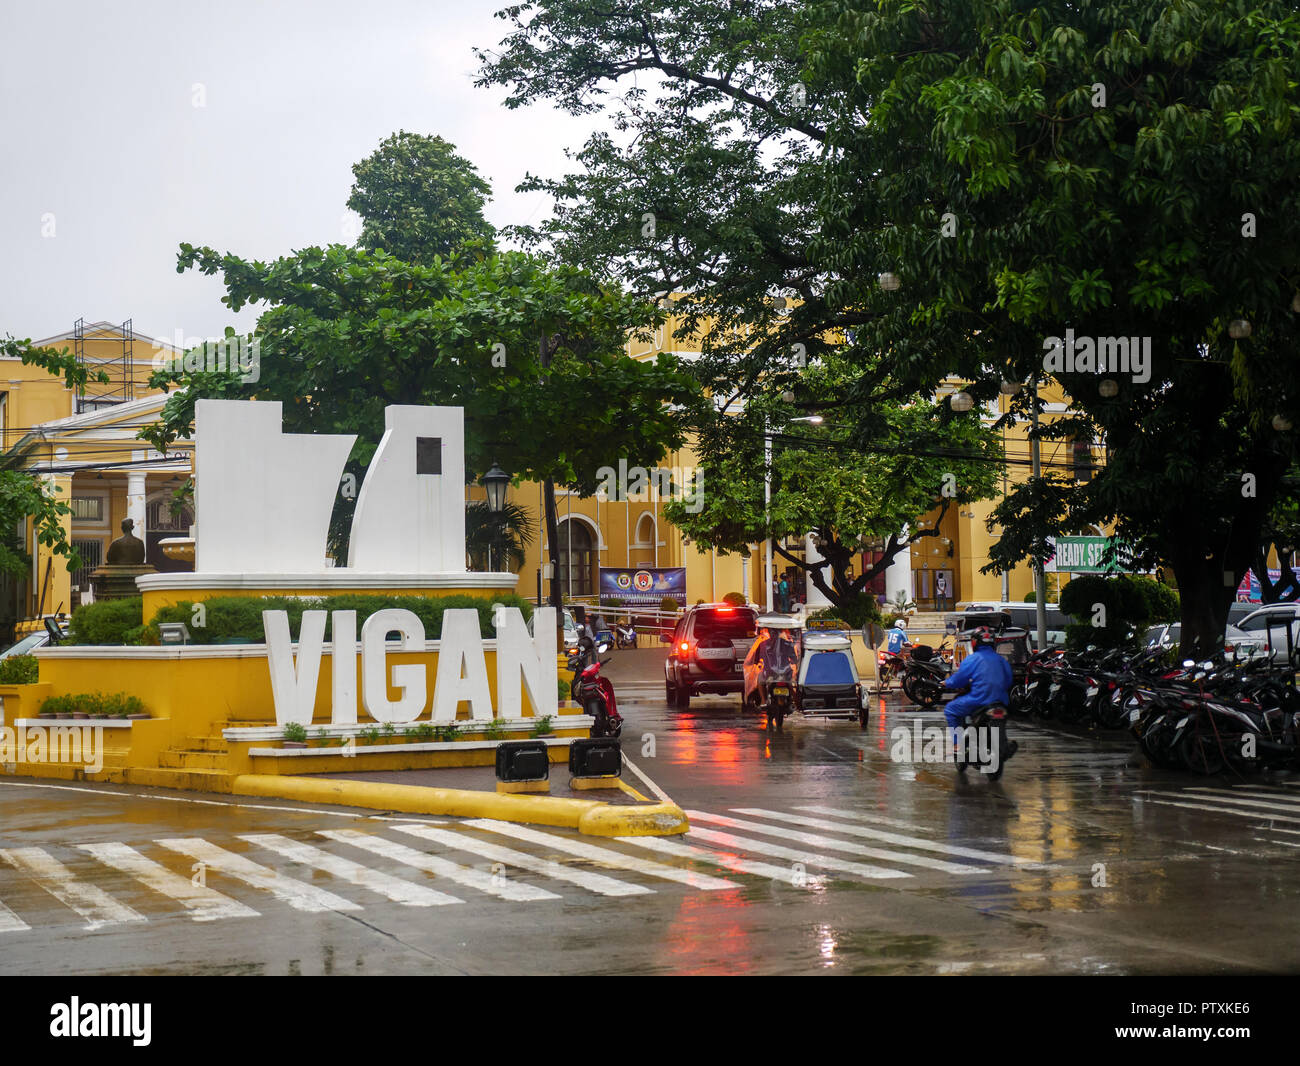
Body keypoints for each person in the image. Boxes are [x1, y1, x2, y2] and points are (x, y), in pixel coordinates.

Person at [942, 625, 1012, 751]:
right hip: (1001, 701)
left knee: (950, 710)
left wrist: (947, 683)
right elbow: (1008, 681)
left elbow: (959, 680)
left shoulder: (973, 659)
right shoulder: (1001, 660)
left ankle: (958, 744)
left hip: (978, 700)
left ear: (974, 642)